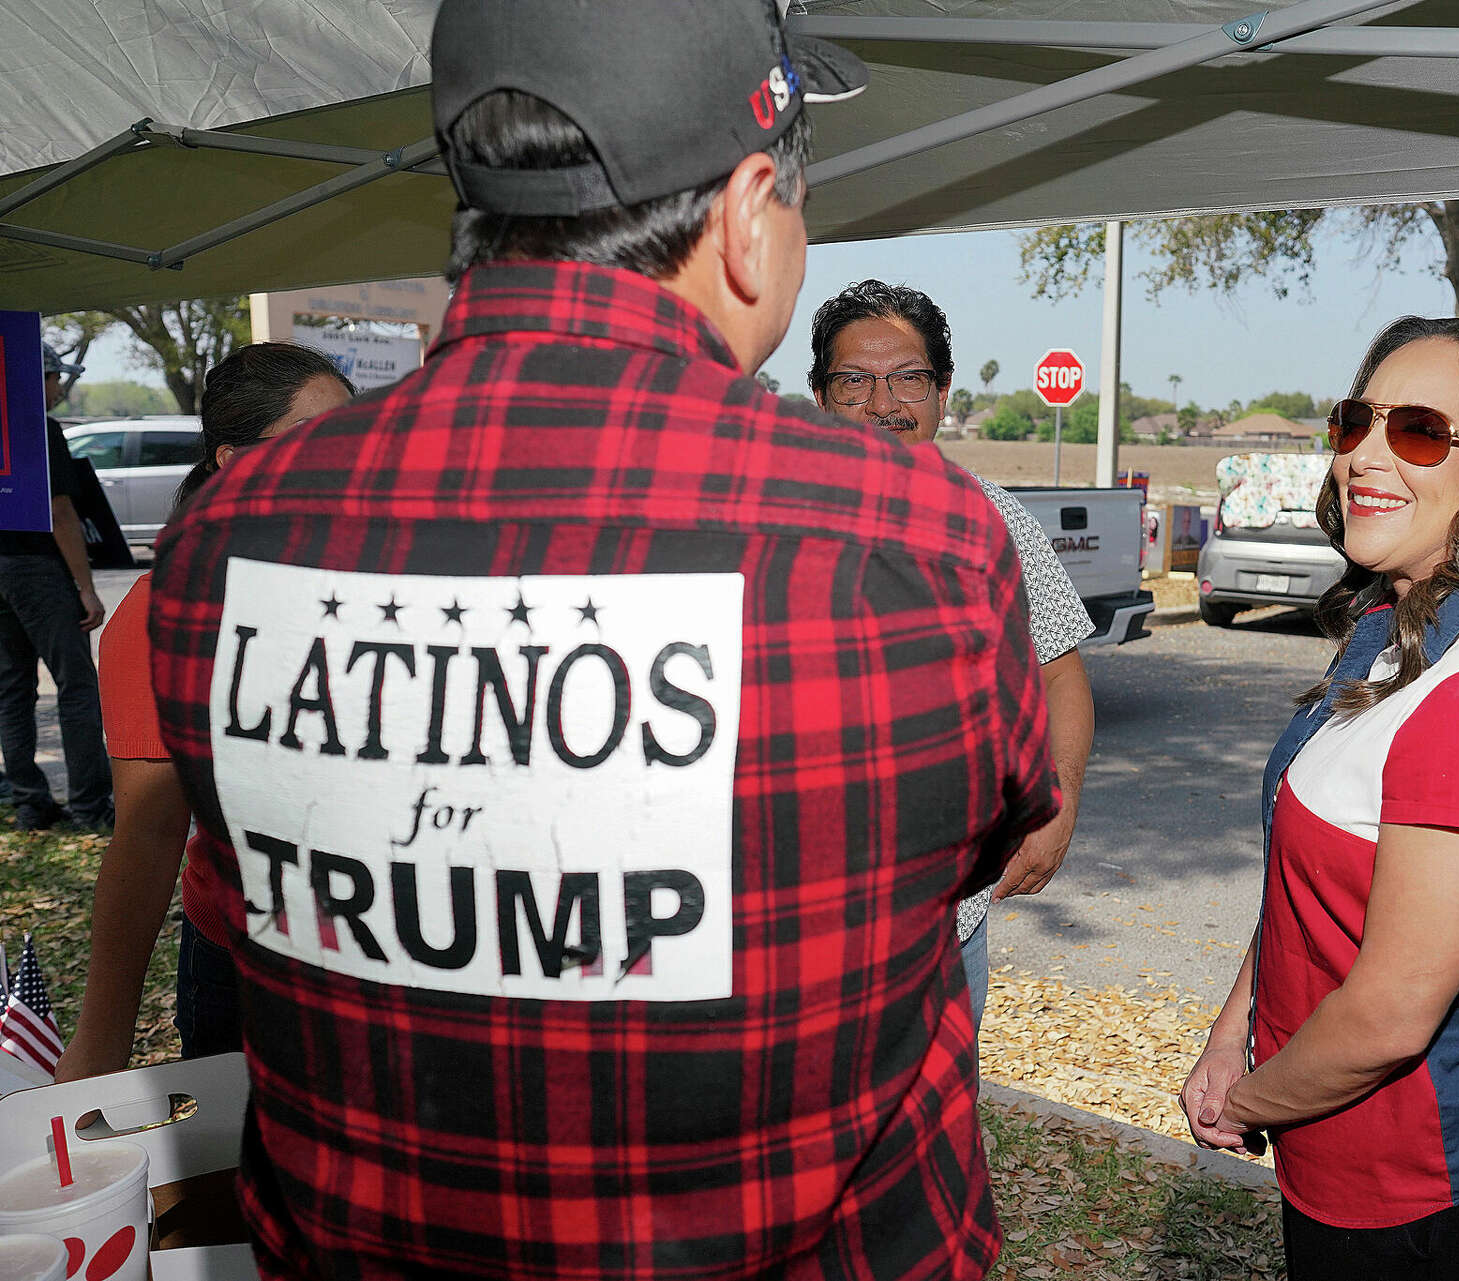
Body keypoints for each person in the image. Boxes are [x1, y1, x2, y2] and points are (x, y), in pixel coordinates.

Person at [146, 4, 1056, 1279]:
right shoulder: (909, 538)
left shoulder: (227, 536)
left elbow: (256, 917)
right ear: (749, 209)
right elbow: (994, 836)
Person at [1180, 315, 1459, 1281]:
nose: (1366, 456)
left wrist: (1246, 1102)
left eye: (1420, 430)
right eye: (1356, 421)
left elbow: (1389, 1015)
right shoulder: (1396, 626)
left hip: (1434, 1198)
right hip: (1339, 1157)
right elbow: (1307, 892)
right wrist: (1235, 1030)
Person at [57, 344, 353, 1083]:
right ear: (232, 459)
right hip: (248, 971)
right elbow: (149, 835)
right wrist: (100, 1041)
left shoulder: (384, 588)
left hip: (385, 964)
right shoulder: (167, 615)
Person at [808, 280, 1094, 1029]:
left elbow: (1060, 675)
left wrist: (1055, 809)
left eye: (907, 377)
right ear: (818, 395)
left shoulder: (993, 517)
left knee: (938, 1135)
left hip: (951, 926)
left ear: (940, 393)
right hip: (803, 927)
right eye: (854, 381)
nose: (883, 403)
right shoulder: (774, 521)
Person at [0, 344, 113, 830]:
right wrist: (85, 587)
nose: (59, 388)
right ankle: (90, 807)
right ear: (36, 380)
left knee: (12, 688)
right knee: (77, 687)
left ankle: (30, 803)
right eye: (53, 378)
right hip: (39, 568)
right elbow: (62, 512)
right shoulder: (39, 431)